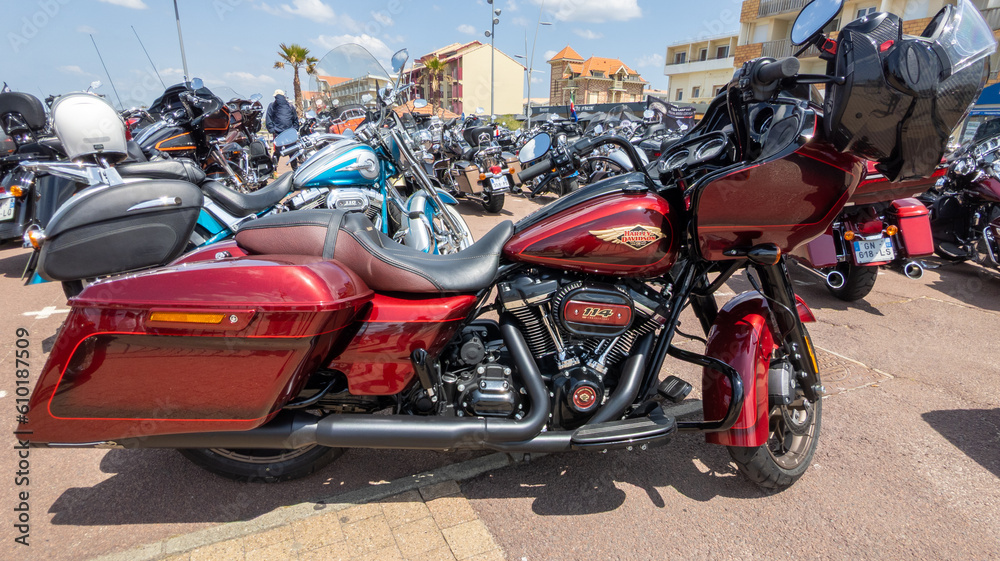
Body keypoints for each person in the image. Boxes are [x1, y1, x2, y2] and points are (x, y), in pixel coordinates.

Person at [266, 89, 299, 168]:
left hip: (278, 133)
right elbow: (295, 119)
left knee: (277, 152)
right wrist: (294, 130)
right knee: (292, 152)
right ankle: (295, 170)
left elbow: (268, 118)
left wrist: (272, 130)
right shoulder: (290, 106)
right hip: (289, 132)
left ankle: (274, 171)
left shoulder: (272, 105)